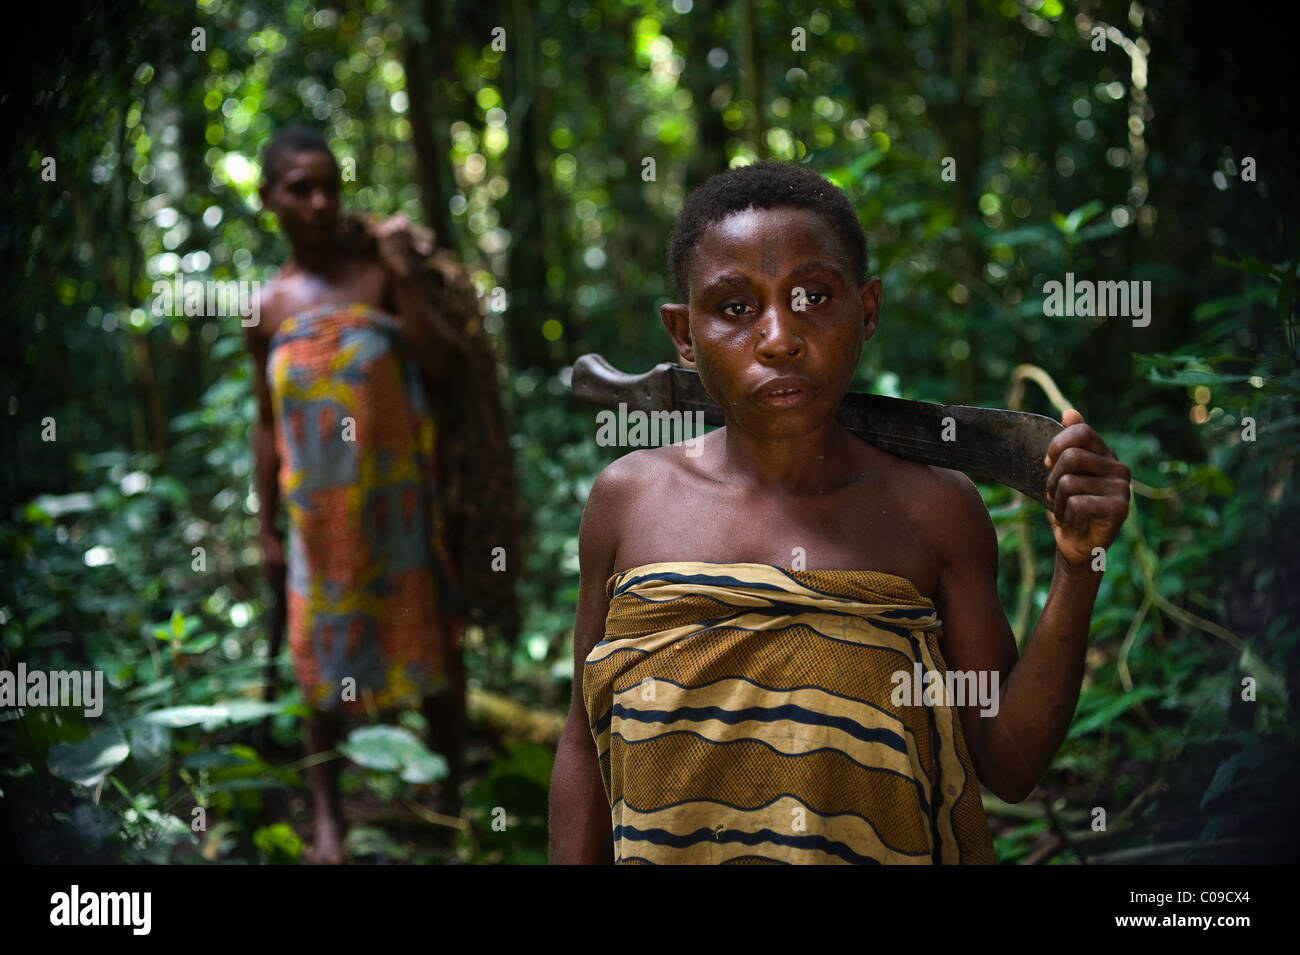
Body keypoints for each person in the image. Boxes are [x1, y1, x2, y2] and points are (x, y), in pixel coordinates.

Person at [548, 160, 1132, 864]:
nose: (778, 338)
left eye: (814, 297)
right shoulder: (628, 501)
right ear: (683, 333)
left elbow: (1008, 762)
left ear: (869, 310)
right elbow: (586, 741)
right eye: (736, 308)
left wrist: (1078, 565)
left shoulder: (934, 510)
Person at [247, 126, 467, 864]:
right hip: (317, 518)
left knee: (430, 643)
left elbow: (439, 363)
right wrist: (266, 530)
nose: (317, 201)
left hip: (398, 502)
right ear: (268, 198)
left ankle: (453, 800)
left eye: (329, 185)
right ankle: (329, 820)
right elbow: (264, 423)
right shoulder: (268, 306)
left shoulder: (376, 272)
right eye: (298, 187)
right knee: (320, 659)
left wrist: (401, 271)